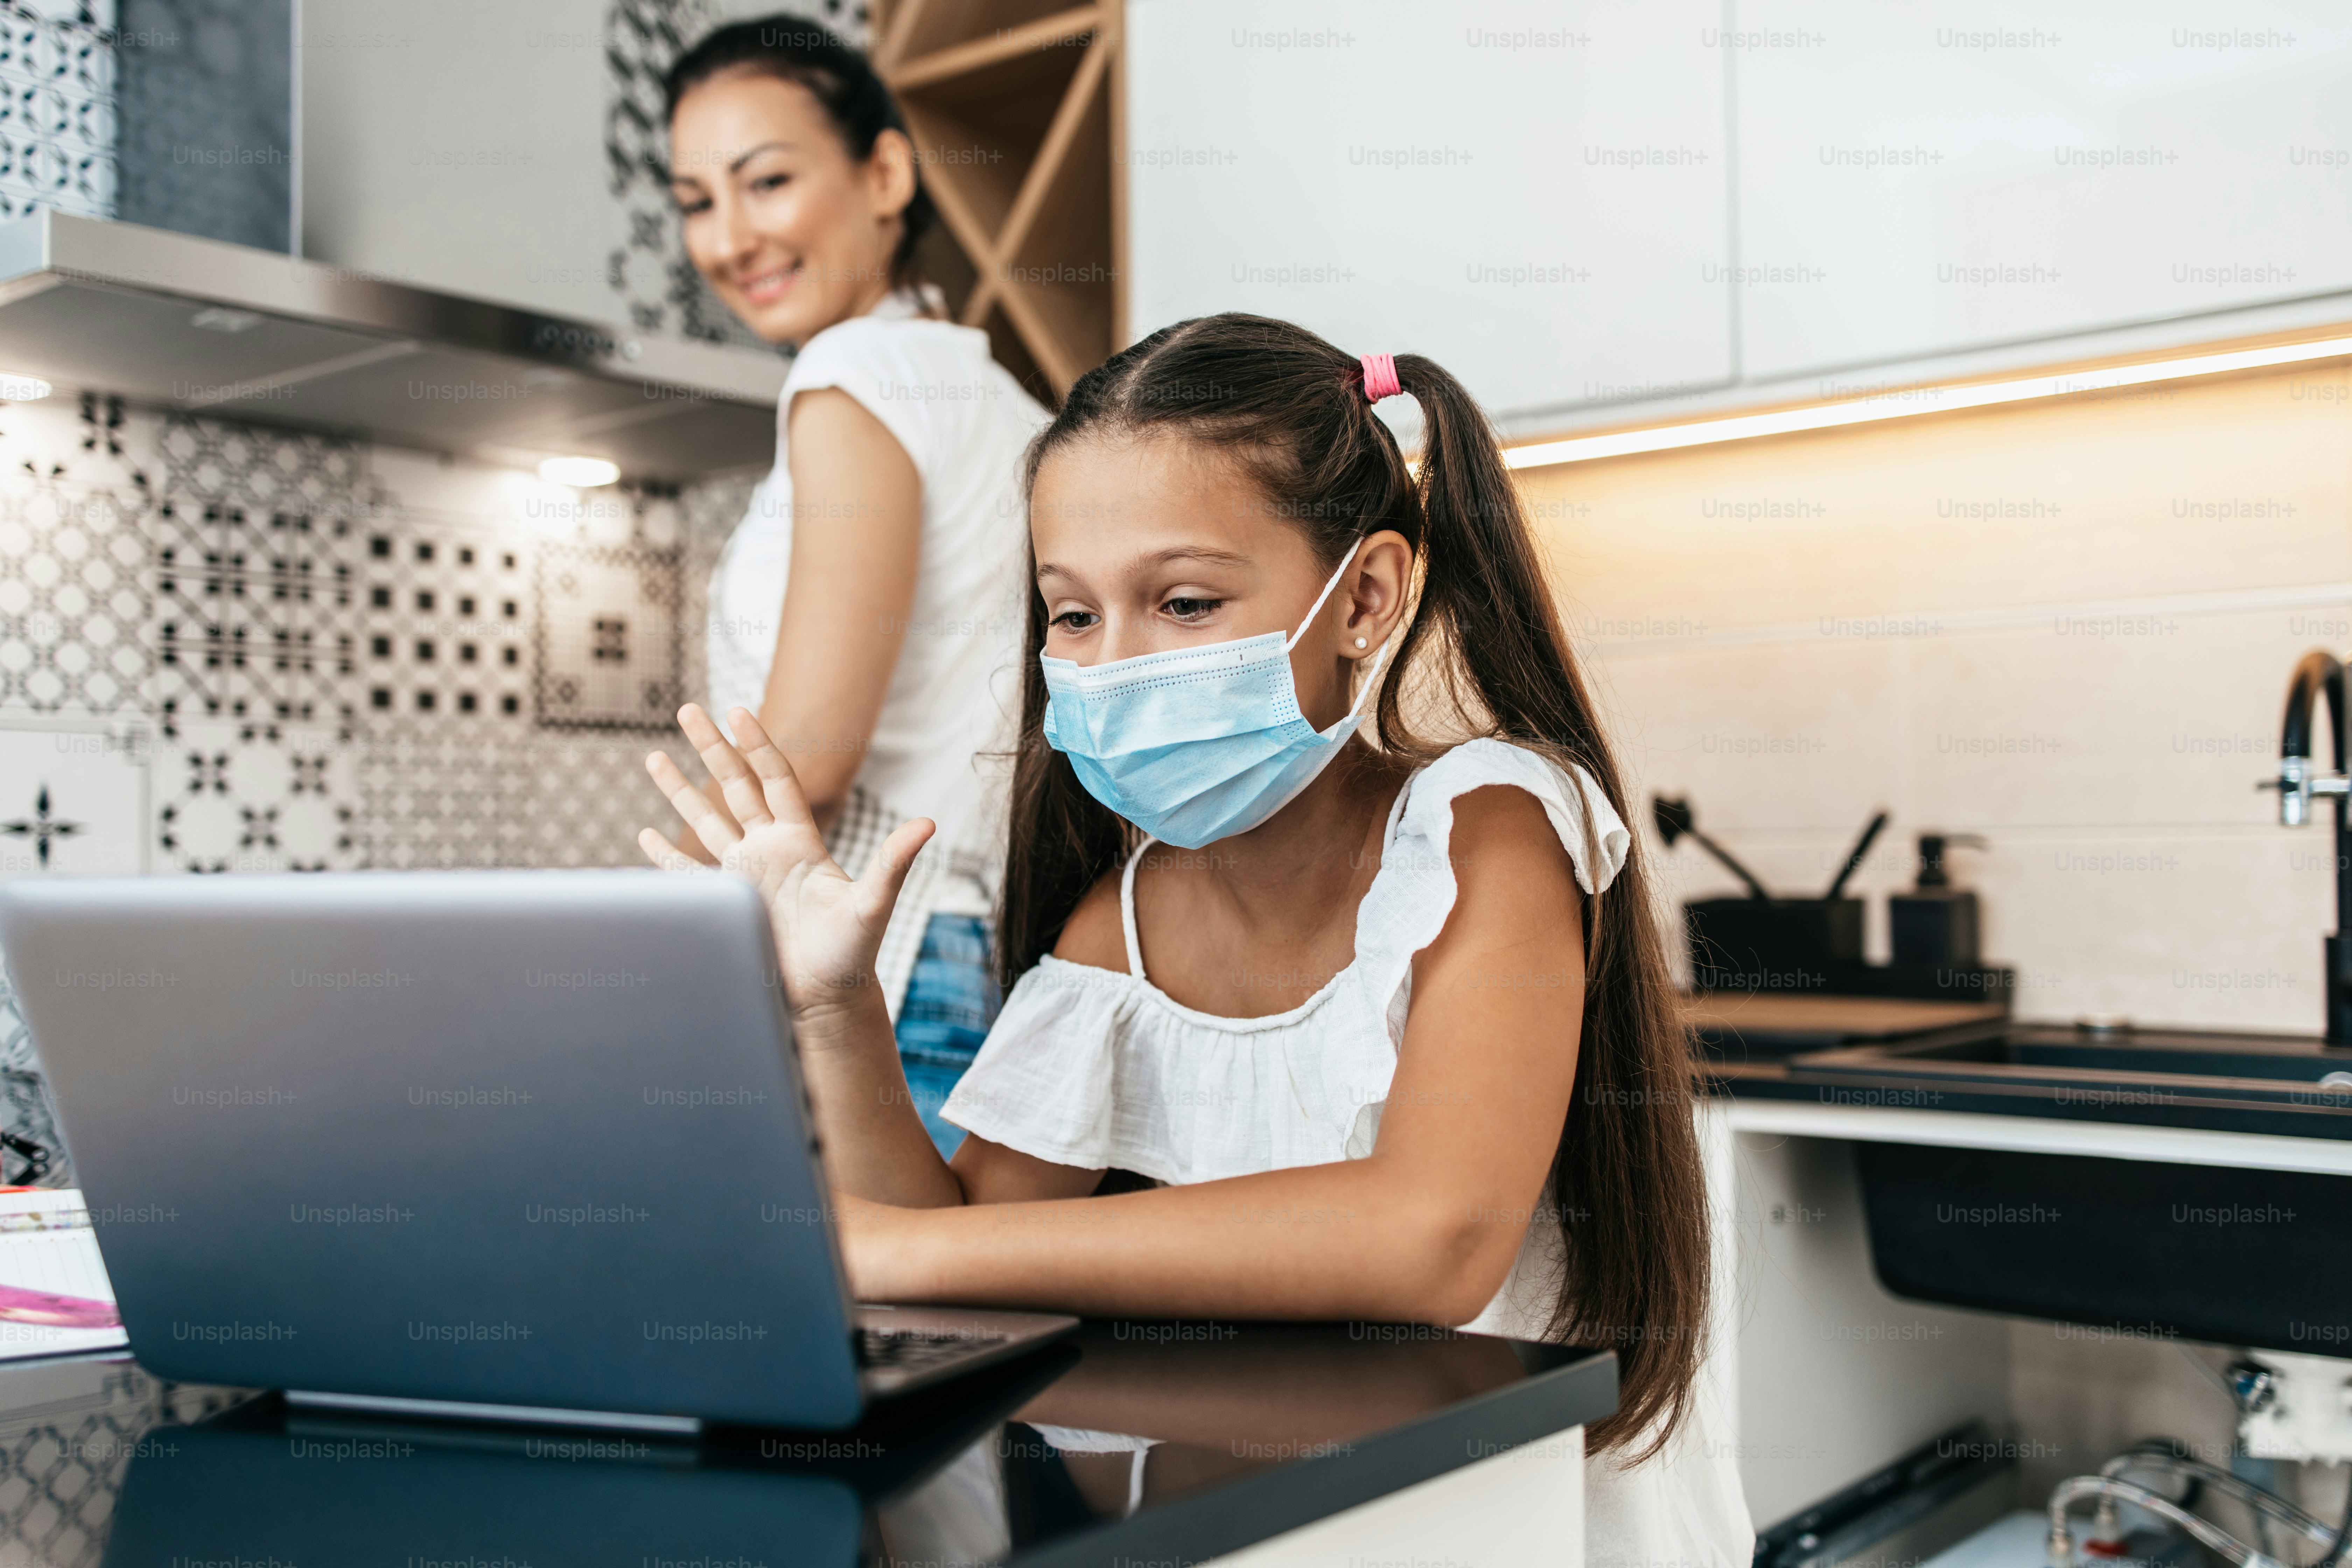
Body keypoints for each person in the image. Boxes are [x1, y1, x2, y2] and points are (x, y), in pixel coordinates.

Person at [641, 314, 1752, 1565]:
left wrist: (899, 1244)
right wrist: (832, 1008)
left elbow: (1434, 1237)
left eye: (1182, 601)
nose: (1111, 665)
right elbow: (956, 1256)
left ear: (1366, 598)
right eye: (1071, 615)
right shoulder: (1119, 926)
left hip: (1518, 1527)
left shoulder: (1490, 820)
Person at [663, 19, 1049, 1155]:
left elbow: (803, 764)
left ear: (886, 173)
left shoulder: (850, 373)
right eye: (694, 201)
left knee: (897, 1326)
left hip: (894, 967)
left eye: (766, 181)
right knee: (979, 1330)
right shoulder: (995, 394)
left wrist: (613, 955)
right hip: (985, 948)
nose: (730, 238)